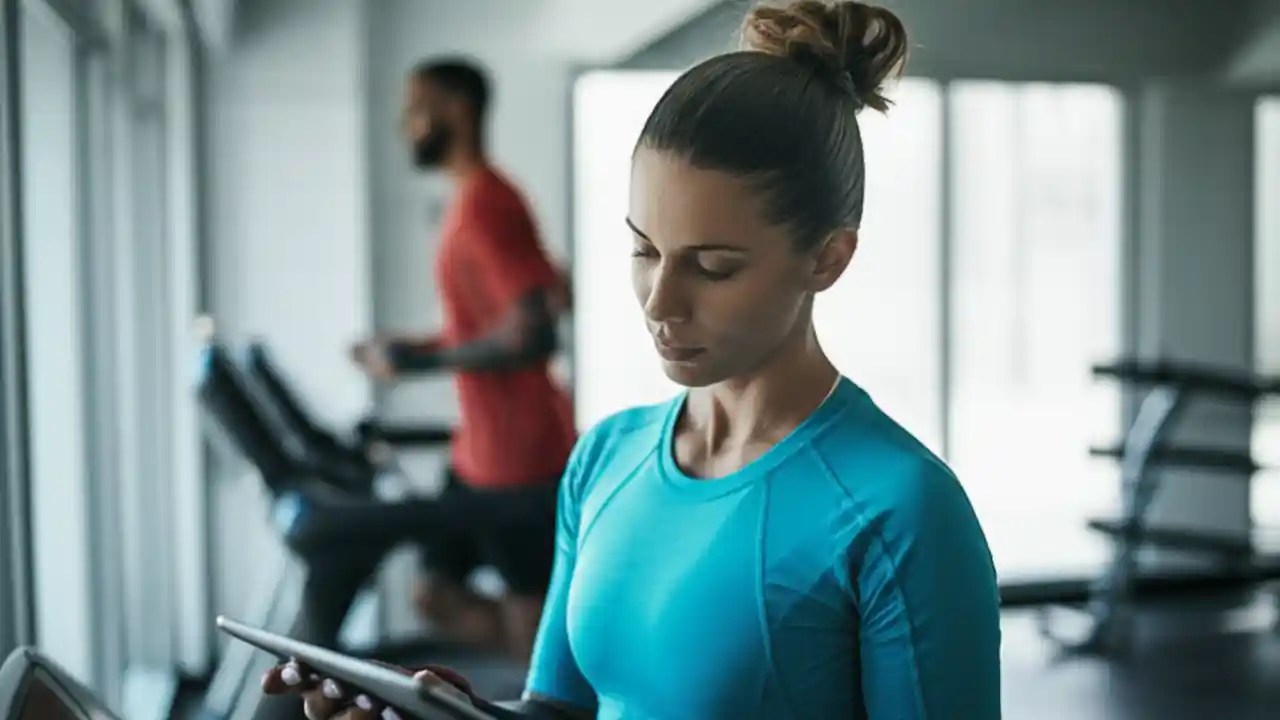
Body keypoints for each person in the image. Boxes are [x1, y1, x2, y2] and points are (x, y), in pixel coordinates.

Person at [265, 1, 1002, 718]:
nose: (658, 302)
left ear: (828, 258)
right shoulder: (603, 459)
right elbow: (558, 707)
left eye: (712, 266)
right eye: (644, 251)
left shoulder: (900, 511)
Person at [351, 59, 577, 660]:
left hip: (519, 456)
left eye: (415, 108)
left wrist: (419, 367)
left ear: (455, 108)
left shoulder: (488, 206)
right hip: (476, 452)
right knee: (433, 591)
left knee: (532, 618)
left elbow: (533, 338)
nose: (405, 125)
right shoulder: (467, 203)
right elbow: (487, 326)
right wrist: (413, 346)